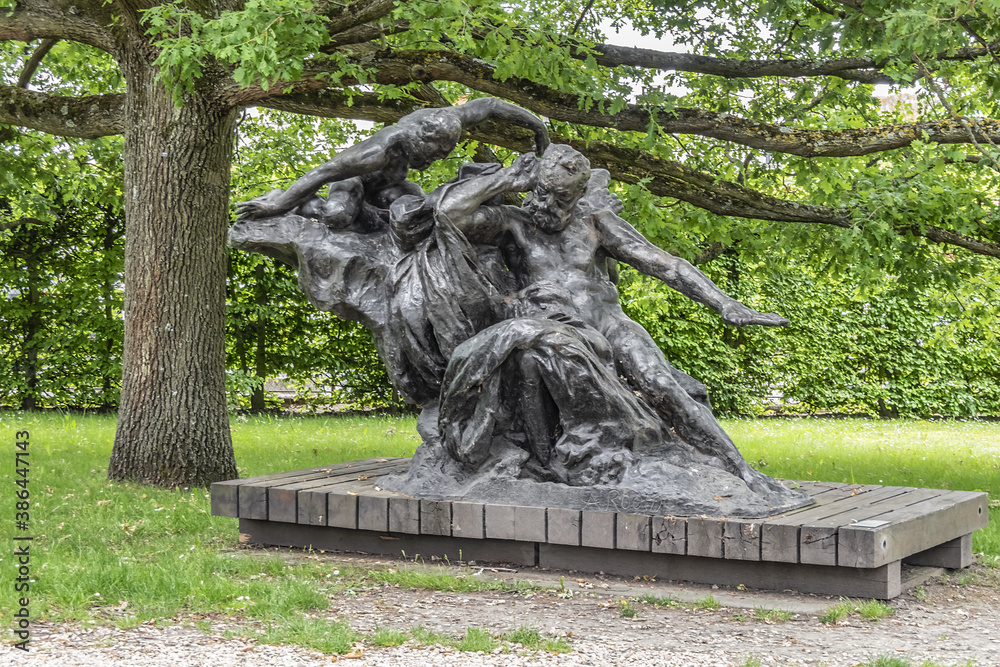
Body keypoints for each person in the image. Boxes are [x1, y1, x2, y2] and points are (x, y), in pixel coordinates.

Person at [436, 145, 789, 493]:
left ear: (579, 195)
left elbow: (665, 263)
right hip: (559, 331)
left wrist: (725, 303)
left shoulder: (595, 223)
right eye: (542, 193)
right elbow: (448, 214)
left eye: (561, 198)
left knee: (660, 382)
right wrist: (506, 178)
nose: (547, 205)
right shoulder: (513, 224)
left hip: (608, 323)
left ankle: (740, 469)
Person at [235, 98, 550, 224]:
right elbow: (325, 171)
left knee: (421, 217)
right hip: (354, 183)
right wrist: (277, 206)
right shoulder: (380, 150)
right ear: (418, 141)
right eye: (432, 155)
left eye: (443, 155)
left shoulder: (446, 120)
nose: (434, 161)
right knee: (338, 218)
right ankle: (296, 204)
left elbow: (492, 105)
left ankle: (374, 218)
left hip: (392, 187)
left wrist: (538, 127)